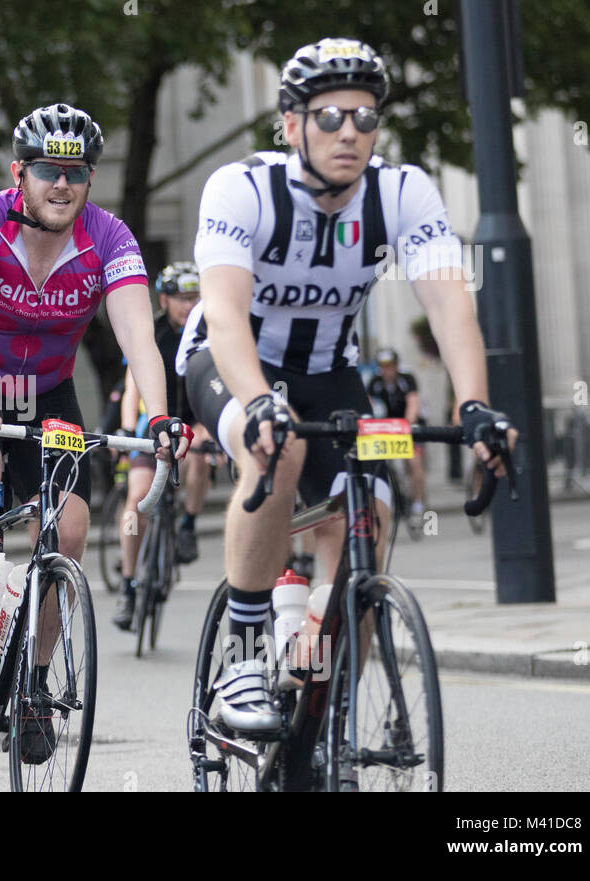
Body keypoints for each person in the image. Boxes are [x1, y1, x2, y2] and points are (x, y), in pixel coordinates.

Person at [179, 39, 517, 734]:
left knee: (371, 516)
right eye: (330, 117)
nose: (350, 134)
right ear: (291, 124)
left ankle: (319, 711)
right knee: (280, 453)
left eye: (365, 119)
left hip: (330, 371)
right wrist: (261, 401)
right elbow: (226, 314)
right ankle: (243, 655)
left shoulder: (401, 192)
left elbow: (452, 304)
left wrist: (475, 404)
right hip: (231, 358)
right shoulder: (242, 188)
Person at [0, 103, 191, 760]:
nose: (61, 184)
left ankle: (36, 682)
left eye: (75, 171)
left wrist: (157, 416)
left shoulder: (110, 237)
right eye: (47, 170)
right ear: (20, 173)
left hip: (47, 392)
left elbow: (137, 336)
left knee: (68, 525)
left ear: (90, 178)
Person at [113, 262, 220, 629]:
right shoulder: (151, 331)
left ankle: (188, 524)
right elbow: (131, 387)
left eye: (195, 298)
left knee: (203, 458)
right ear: (164, 299)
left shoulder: (210, 329)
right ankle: (128, 585)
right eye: (181, 299)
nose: (189, 306)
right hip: (154, 425)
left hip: (195, 421)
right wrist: (128, 429)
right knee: (135, 503)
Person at [367, 347, 427, 523]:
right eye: (383, 367)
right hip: (386, 428)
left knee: (415, 462)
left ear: (396, 366)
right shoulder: (375, 382)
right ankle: (386, 500)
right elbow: (369, 406)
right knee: (378, 464)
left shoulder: (407, 379)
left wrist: (405, 425)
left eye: (390, 366)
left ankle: (418, 502)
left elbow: (413, 404)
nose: (387, 371)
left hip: (407, 426)